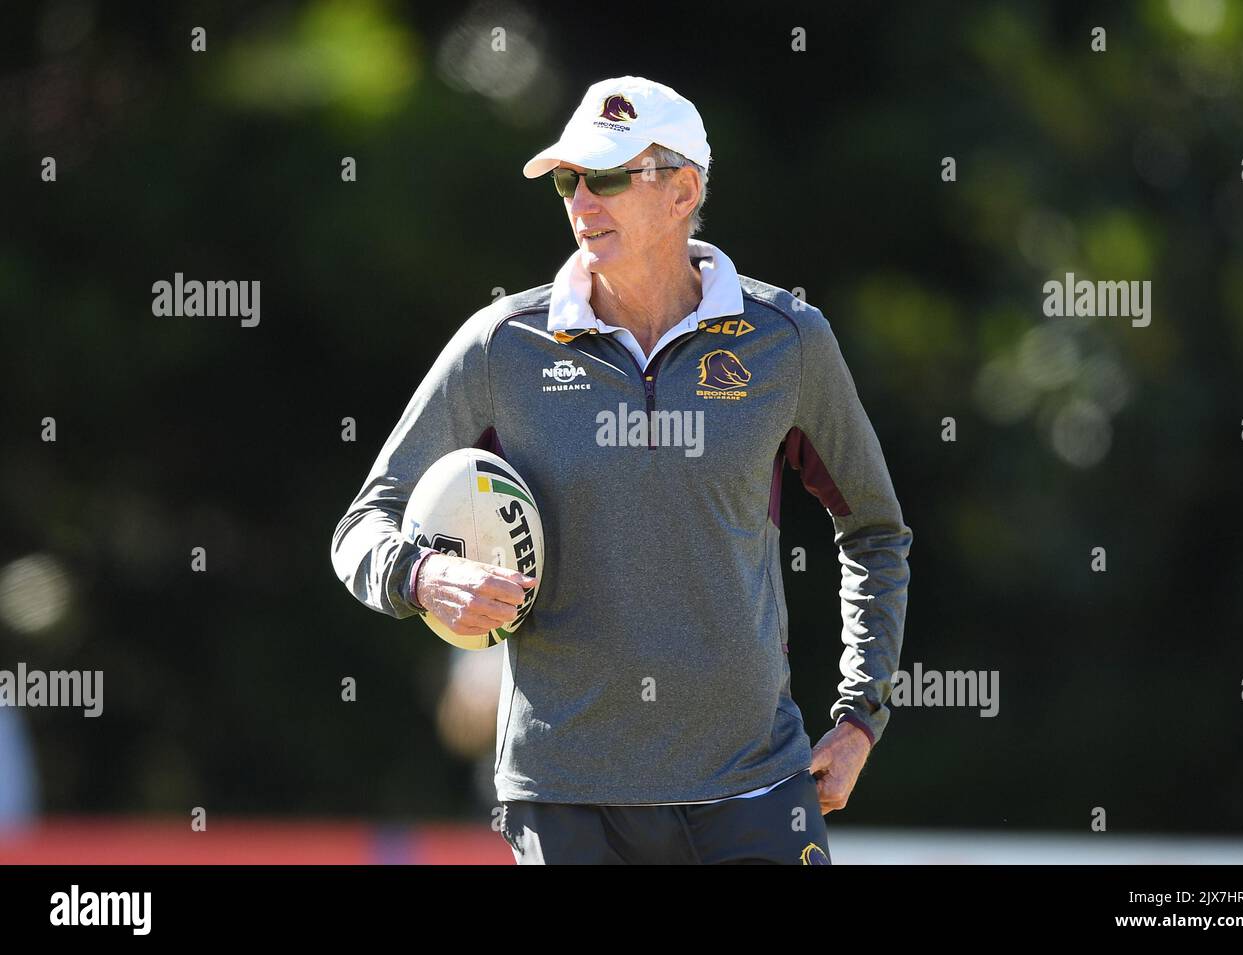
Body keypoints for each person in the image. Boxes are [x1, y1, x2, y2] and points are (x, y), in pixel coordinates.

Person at [331, 76, 912, 864]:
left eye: (608, 177)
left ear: (683, 191)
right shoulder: (500, 346)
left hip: (754, 789)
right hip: (564, 799)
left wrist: (860, 717)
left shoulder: (789, 340)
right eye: (570, 180)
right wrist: (423, 576)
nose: (581, 200)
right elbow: (363, 523)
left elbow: (875, 532)